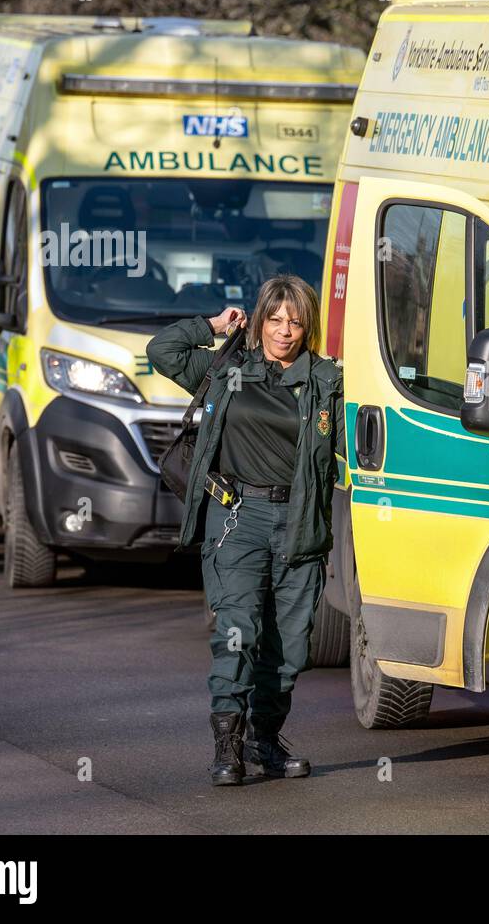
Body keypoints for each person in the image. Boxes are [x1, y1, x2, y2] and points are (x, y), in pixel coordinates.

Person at [147, 275, 344, 786]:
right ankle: (226, 746)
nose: (284, 330)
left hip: (300, 523)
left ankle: (264, 741)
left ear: (308, 327)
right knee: (238, 633)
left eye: (295, 321)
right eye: (275, 319)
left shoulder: (326, 380)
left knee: (291, 646)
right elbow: (162, 350)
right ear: (259, 321)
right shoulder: (227, 368)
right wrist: (212, 325)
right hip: (237, 518)